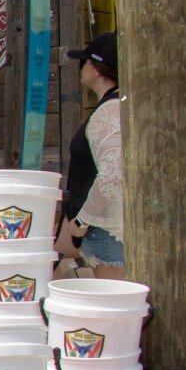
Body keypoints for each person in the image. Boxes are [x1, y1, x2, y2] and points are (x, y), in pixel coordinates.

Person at [60, 33, 124, 278]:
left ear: (95, 68)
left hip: (106, 232)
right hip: (101, 228)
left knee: (114, 312)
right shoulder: (112, 107)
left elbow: (113, 176)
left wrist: (81, 221)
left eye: (83, 62)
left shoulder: (109, 112)